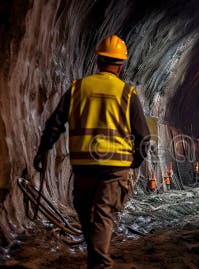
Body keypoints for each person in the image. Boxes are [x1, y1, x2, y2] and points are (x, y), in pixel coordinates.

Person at [33, 34, 150, 269]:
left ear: (98, 61)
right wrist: (135, 161)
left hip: (84, 166)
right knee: (102, 214)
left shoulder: (78, 88)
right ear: (120, 66)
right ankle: (99, 262)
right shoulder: (127, 93)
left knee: (87, 212)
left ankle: (97, 262)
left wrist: (43, 150)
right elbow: (143, 137)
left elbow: (55, 123)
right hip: (115, 168)